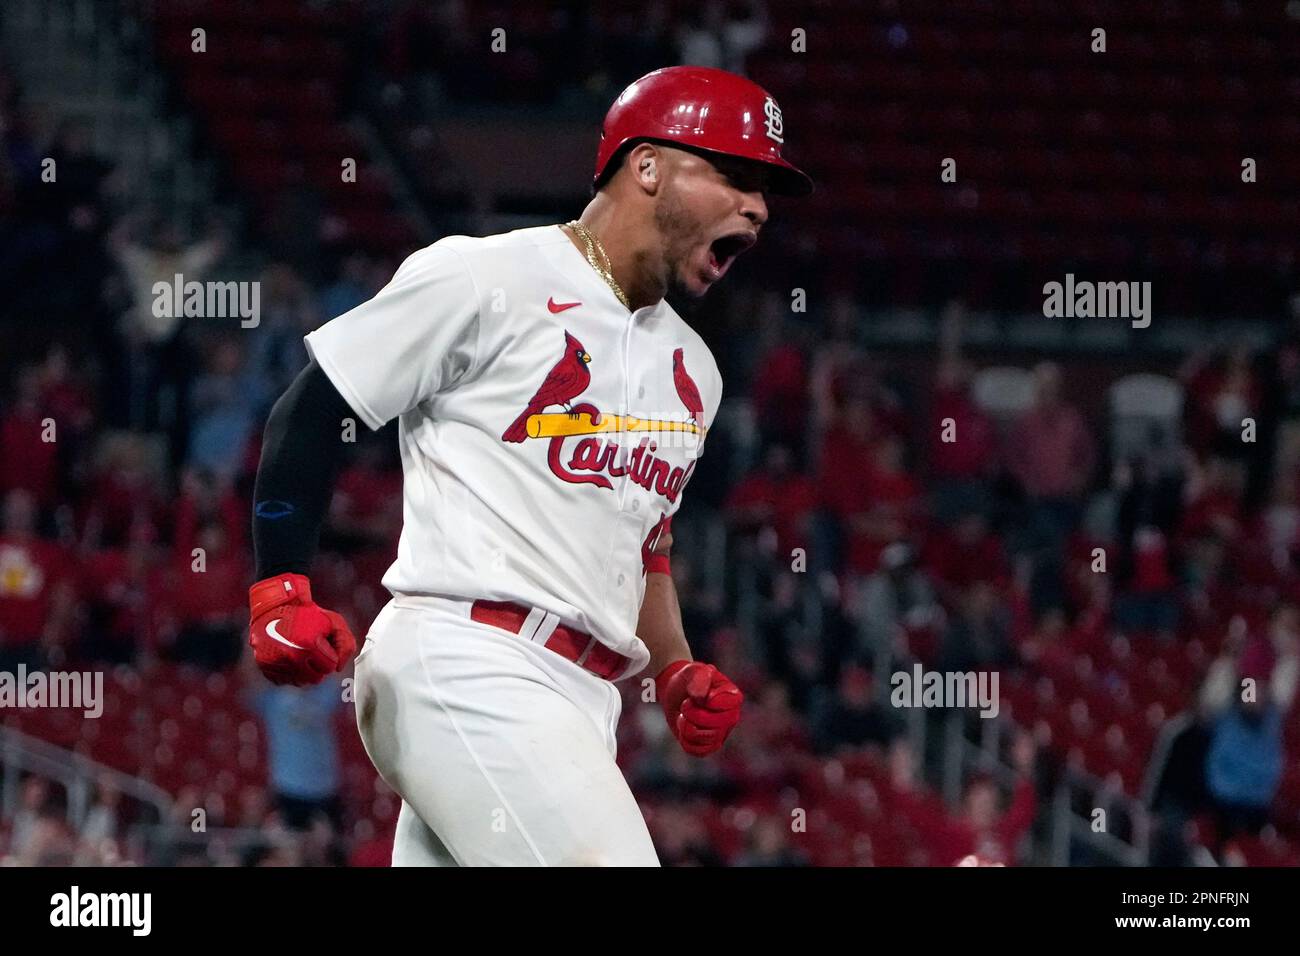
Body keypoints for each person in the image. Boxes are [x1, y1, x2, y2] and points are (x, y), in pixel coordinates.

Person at [246, 66, 811, 866]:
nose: (758, 206)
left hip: (581, 705)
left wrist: (676, 667)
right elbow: (314, 410)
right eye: (737, 175)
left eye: (766, 190)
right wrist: (280, 585)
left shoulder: (697, 369)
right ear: (647, 166)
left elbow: (643, 544)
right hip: (467, 661)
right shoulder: (488, 277)